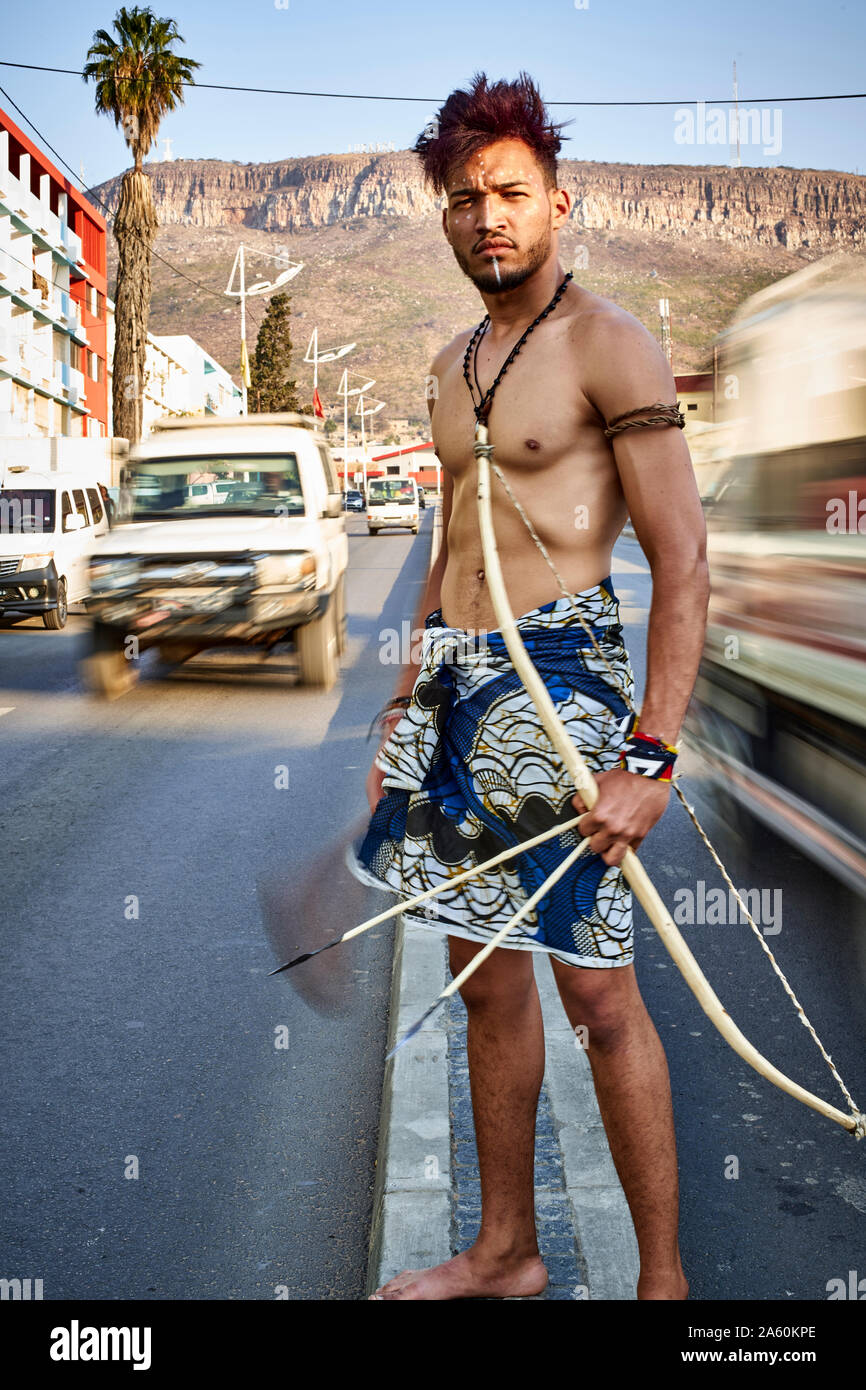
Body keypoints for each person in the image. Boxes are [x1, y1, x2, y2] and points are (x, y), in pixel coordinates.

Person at [355, 72, 709, 1301]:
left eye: (510, 192)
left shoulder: (611, 342)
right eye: (463, 198)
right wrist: (402, 713)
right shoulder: (450, 367)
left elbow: (680, 555)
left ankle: (660, 1287)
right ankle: (505, 1250)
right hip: (458, 689)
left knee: (600, 1001)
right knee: (484, 982)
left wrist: (649, 751)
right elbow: (447, 552)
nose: (486, 216)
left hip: (565, 688)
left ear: (558, 201)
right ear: (443, 217)